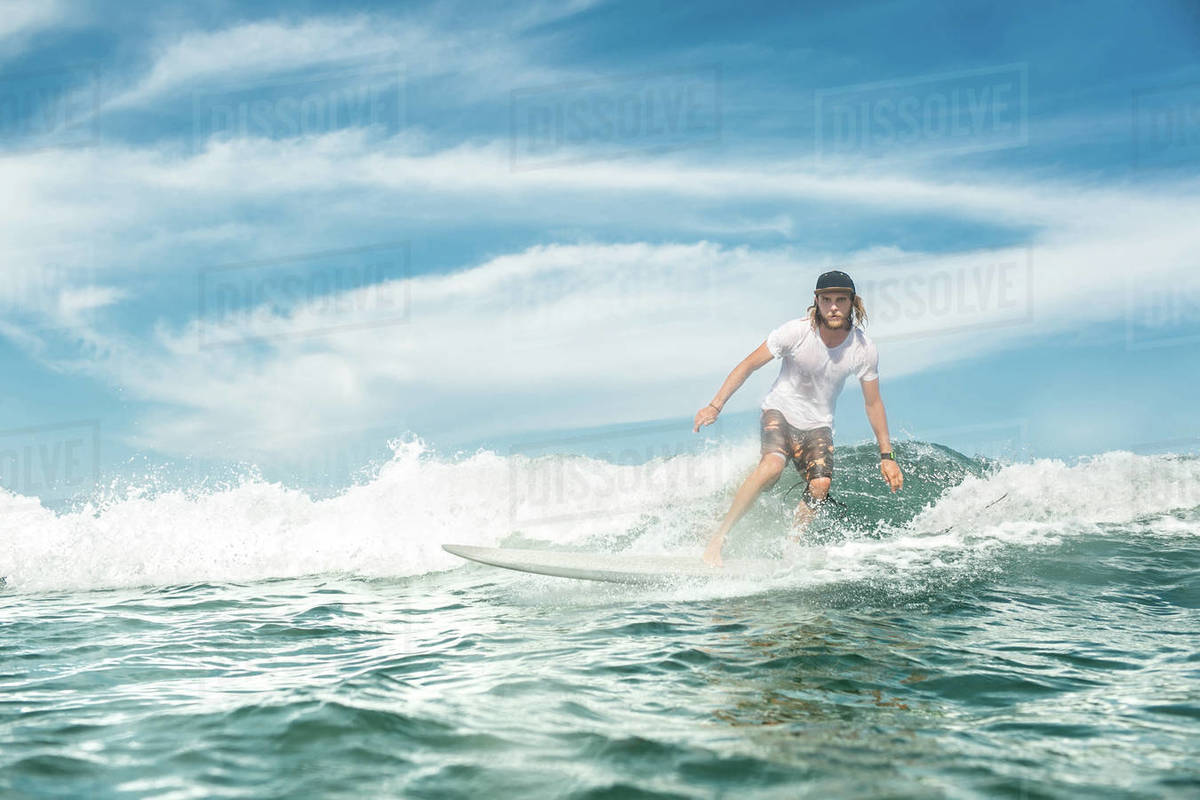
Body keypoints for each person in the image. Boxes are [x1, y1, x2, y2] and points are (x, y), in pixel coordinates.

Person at [693, 270, 903, 567]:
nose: (833, 307)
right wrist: (715, 405)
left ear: (852, 303)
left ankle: (789, 549)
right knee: (772, 466)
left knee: (821, 485)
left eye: (840, 300)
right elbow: (748, 365)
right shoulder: (795, 332)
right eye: (826, 300)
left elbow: (873, 402)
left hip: (818, 425)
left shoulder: (863, 348)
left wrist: (887, 455)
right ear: (816, 301)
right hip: (779, 410)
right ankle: (718, 538)